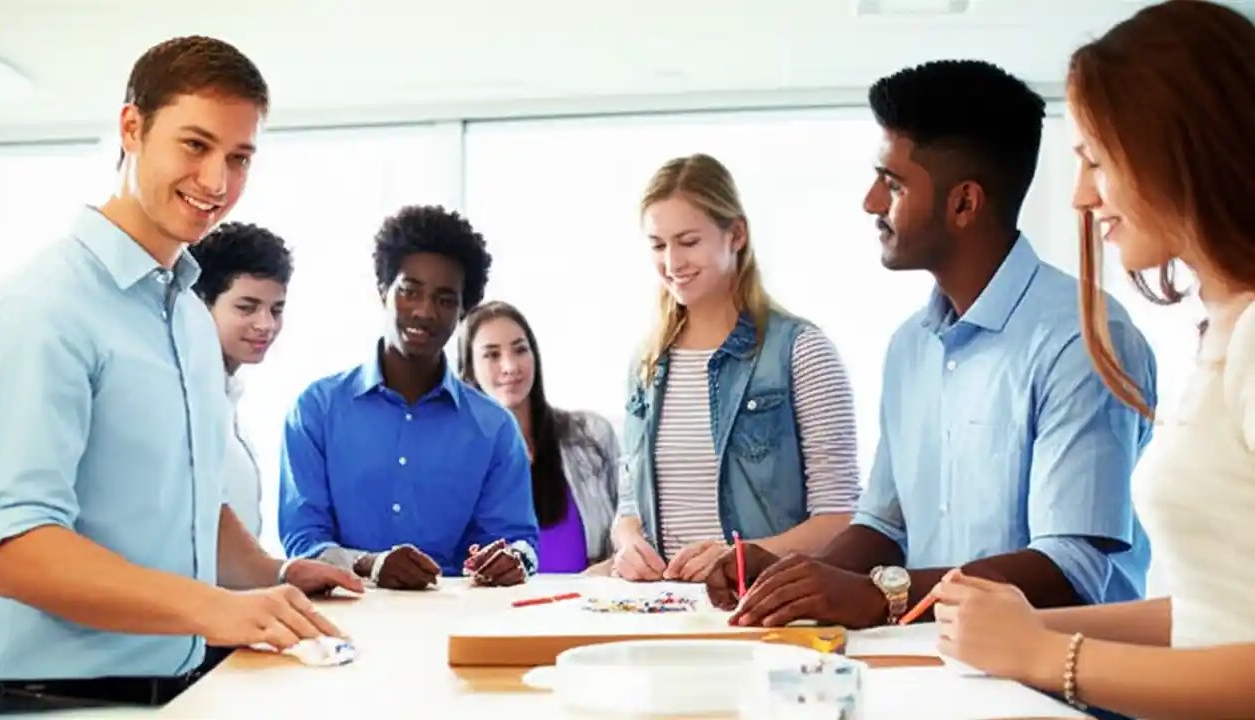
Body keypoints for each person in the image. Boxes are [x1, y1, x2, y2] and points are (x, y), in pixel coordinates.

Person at [0, 36, 359, 712]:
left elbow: (188, 505)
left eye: (239, 157)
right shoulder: (40, 308)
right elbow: (17, 551)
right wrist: (213, 607)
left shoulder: (183, 311)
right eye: (195, 145)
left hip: (183, 693)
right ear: (132, 128)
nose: (217, 182)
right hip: (61, 701)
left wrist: (273, 574)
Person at [706, 60, 1156, 630]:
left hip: (1056, 695)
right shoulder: (909, 347)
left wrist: (881, 598)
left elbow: (1070, 570)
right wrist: (795, 575)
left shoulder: (1083, 336)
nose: (871, 202)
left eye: (892, 184)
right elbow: (885, 528)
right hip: (935, 669)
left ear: (964, 204)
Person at [931, 3, 1255, 718]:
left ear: (1179, 150)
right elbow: (1215, 614)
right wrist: (1023, 629)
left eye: (1096, 161)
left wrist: (1046, 655)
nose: (1080, 196)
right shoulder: (1221, 333)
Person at [611, 152, 862, 584]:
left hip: (762, 611)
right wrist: (628, 544)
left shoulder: (803, 352)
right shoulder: (645, 362)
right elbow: (629, 508)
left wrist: (740, 559)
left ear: (737, 234)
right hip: (662, 610)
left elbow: (841, 520)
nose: (672, 263)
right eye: (657, 245)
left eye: (689, 242)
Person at [279, 205, 539, 590]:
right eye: (409, 291)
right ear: (383, 289)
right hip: (342, 622)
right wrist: (369, 564)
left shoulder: (494, 427)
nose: (424, 311)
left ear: (463, 310)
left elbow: (518, 540)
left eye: (445, 299)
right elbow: (303, 541)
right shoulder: (317, 409)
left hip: (454, 626)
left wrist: (512, 560)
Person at [458, 300, 620, 573]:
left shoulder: (590, 436)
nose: (510, 366)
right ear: (470, 369)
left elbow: (632, 531)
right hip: (500, 611)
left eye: (520, 350)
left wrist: (601, 577)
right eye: (492, 355)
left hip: (588, 608)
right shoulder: (458, 459)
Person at [189, 221, 294, 538]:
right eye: (247, 308)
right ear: (201, 303)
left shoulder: (230, 398)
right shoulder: (184, 401)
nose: (266, 324)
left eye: (276, 309)